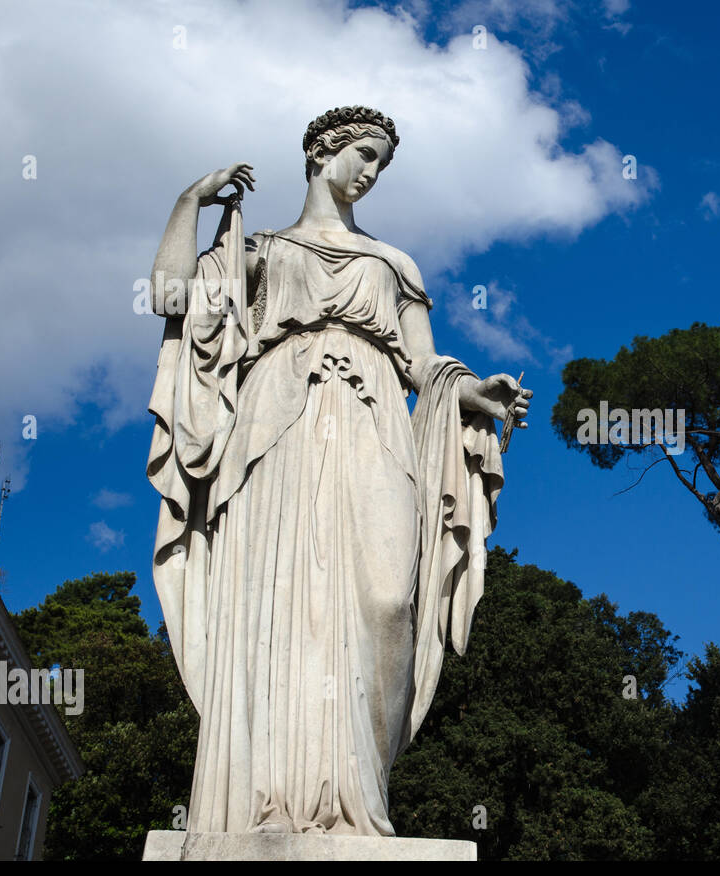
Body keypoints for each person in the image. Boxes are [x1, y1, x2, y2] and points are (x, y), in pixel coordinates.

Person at [145, 106, 531, 835]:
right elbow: (169, 298)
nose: (371, 172)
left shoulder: (394, 265)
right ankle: (266, 798)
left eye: (381, 162)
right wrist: (189, 204)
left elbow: (423, 362)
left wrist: (475, 392)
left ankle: (360, 797)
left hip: (375, 422)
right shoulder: (260, 249)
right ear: (322, 153)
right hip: (273, 433)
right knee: (277, 600)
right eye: (363, 154)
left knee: (388, 599)